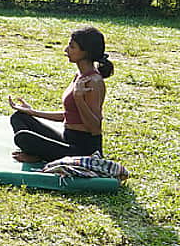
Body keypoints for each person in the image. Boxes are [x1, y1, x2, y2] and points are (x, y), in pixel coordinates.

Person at [8, 26, 112, 163]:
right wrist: (31, 112)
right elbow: (68, 116)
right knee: (19, 117)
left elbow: (95, 128)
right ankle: (42, 154)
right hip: (67, 139)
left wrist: (79, 99)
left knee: (23, 137)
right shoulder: (79, 76)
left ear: (85, 52)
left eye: (72, 47)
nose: (66, 50)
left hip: (83, 151)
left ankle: (40, 156)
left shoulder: (94, 82)